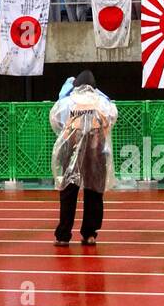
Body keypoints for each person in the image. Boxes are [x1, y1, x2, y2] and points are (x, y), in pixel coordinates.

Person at [49, 70, 117, 246]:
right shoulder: (102, 102)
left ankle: (63, 235)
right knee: (94, 192)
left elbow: (55, 121)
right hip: (97, 150)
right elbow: (112, 119)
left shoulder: (66, 102)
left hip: (70, 150)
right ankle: (89, 233)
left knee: (68, 192)